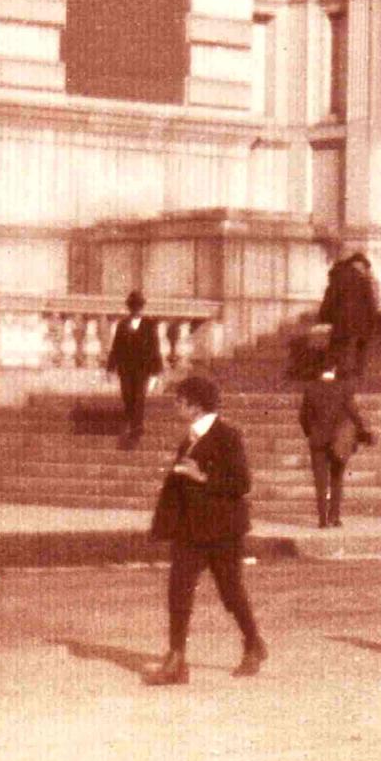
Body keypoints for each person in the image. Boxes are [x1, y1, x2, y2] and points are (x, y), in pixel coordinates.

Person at [145, 373, 264, 685]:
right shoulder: (191, 437)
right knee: (178, 591)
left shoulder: (227, 436)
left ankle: (253, 642)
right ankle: (176, 660)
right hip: (190, 530)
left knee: (230, 592)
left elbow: (241, 483)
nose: (175, 407)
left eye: (179, 402)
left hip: (222, 530)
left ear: (195, 405)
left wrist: (203, 478)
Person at [296, 366, 371, 528]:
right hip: (338, 441)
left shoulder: (310, 388)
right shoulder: (343, 388)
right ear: (334, 370)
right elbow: (353, 413)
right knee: (336, 480)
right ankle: (334, 517)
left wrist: (311, 432)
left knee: (320, 481)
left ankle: (322, 519)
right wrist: (361, 431)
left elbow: (303, 416)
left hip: (318, 440)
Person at [104, 291, 165, 450]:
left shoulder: (149, 324)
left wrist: (157, 371)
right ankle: (132, 420)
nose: (136, 309)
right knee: (127, 395)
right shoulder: (123, 325)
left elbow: (155, 347)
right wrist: (110, 368)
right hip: (126, 368)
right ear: (129, 308)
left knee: (139, 397)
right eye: (133, 306)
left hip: (143, 368)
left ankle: (136, 428)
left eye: (138, 306)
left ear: (142, 307)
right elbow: (116, 347)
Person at [319, 252, 381, 381]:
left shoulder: (337, 277)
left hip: (340, 320)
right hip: (360, 321)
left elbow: (329, 299)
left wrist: (324, 318)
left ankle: (332, 372)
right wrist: (373, 320)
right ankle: (356, 373)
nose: (365, 270)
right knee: (359, 347)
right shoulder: (362, 280)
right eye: (364, 268)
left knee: (338, 346)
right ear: (359, 265)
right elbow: (370, 302)